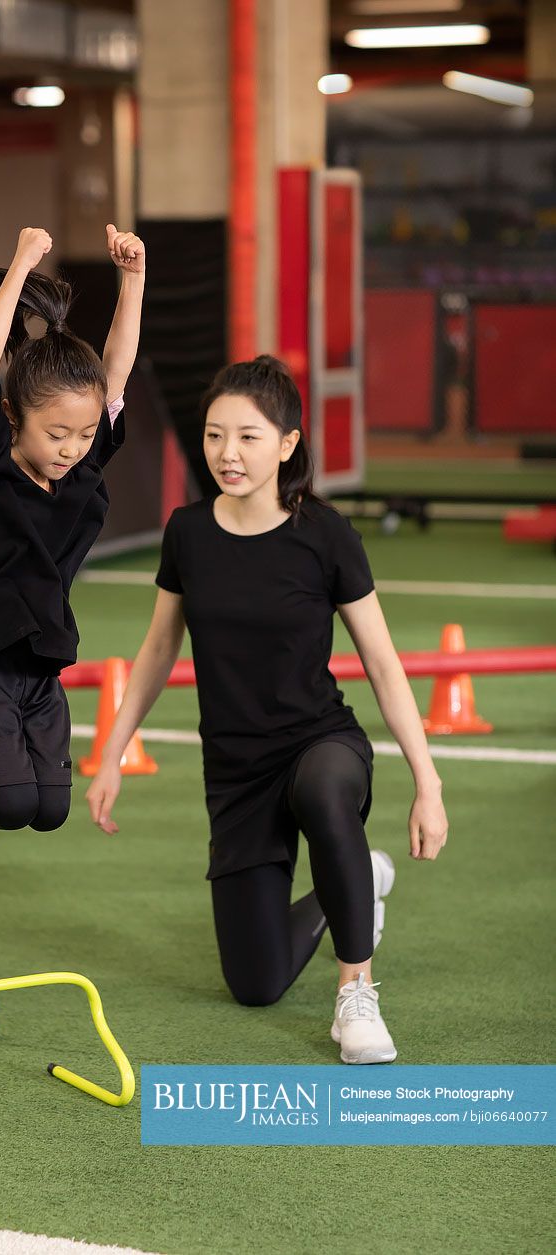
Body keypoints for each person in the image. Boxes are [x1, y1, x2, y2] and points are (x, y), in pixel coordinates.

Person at [86, 355, 449, 1065]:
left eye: (248, 437)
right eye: (215, 435)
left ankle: (356, 992)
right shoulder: (187, 532)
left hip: (320, 742)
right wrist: (110, 756)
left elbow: (380, 661)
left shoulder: (324, 534)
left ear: (286, 443)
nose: (228, 453)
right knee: (253, 982)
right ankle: (359, 879)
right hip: (236, 771)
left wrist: (427, 782)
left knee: (322, 792)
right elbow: (160, 647)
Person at [0, 223, 145, 875]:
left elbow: (115, 371)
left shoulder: (84, 468)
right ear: (14, 416)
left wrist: (134, 279)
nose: (72, 446)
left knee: (47, 809)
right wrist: (20, 261)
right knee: (8, 801)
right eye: (57, 432)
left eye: (85, 432)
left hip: (39, 662)